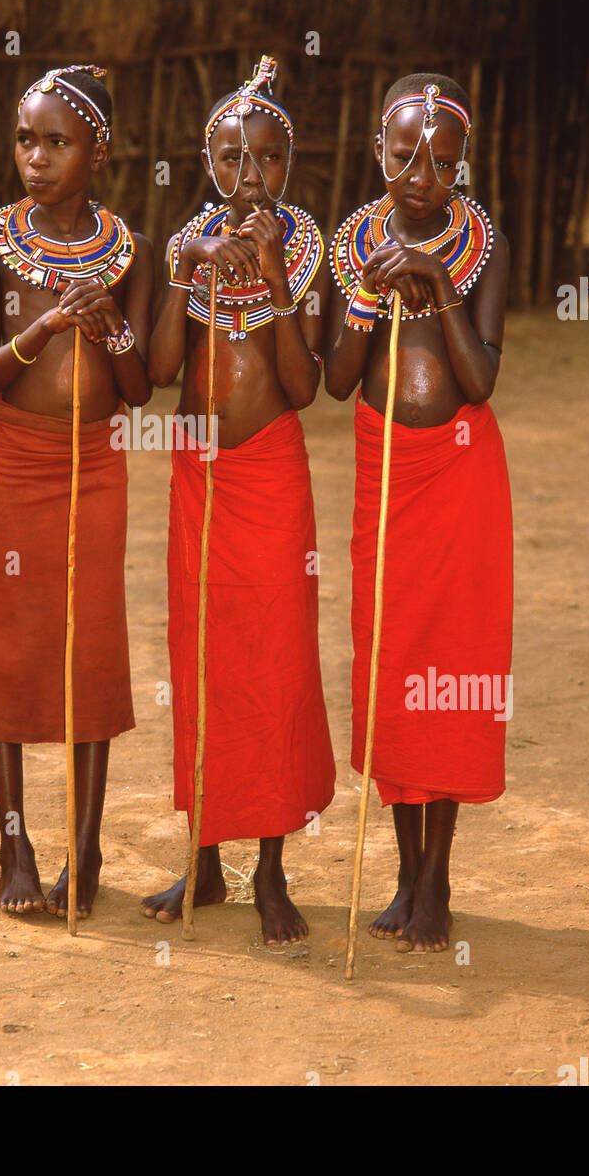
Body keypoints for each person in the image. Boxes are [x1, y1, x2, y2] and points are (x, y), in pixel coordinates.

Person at [140, 57, 335, 945]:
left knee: (275, 662)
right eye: (227, 157)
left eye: (262, 158)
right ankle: (207, 860)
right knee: (203, 659)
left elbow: (302, 386)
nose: (244, 174)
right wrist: (191, 270)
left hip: (269, 469)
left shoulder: (309, 246)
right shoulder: (185, 241)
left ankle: (270, 869)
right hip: (196, 469)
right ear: (206, 159)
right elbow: (156, 373)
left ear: (286, 167)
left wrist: (273, 275)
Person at [324, 73, 512, 953]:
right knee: (392, 663)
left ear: (461, 167)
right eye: (406, 156)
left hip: (462, 475)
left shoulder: (484, 245)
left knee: (451, 665)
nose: (421, 176)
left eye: (441, 162)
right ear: (379, 153)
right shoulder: (352, 239)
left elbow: (479, 381)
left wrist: (438, 288)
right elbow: (333, 381)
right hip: (385, 469)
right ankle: (402, 875)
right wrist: (367, 292)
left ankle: (437, 881)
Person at [0, 64, 154, 920]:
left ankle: (84, 849)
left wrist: (109, 323)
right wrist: (42, 325)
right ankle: (14, 842)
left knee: (89, 651)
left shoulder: (134, 253)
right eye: (24, 140)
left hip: (96, 467)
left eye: (56, 142)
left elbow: (143, 388)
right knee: (10, 648)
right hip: (17, 463)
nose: (35, 159)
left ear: (99, 153)